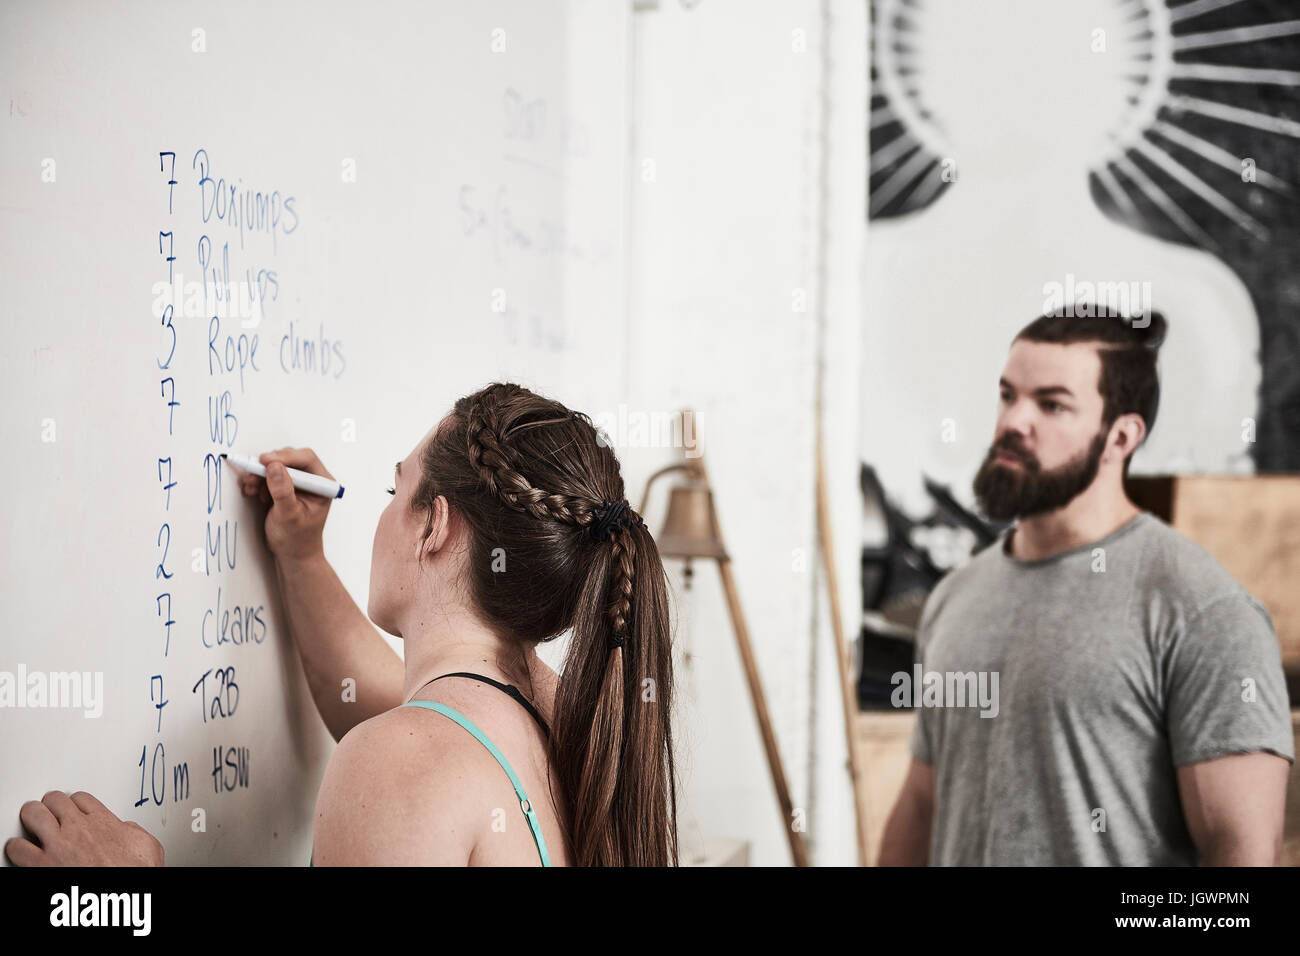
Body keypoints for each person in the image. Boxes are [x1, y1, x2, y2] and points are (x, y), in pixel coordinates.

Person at [6, 382, 678, 867]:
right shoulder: (573, 719)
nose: (383, 512)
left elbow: (406, 751)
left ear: (434, 524)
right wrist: (300, 555)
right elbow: (379, 697)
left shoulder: (404, 759)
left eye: (396, 490)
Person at [879, 308, 1294, 866]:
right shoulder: (955, 599)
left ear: (1120, 436)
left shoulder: (1202, 611)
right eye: (1008, 395)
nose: (1014, 422)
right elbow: (925, 803)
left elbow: (1243, 863)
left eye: (1051, 404)